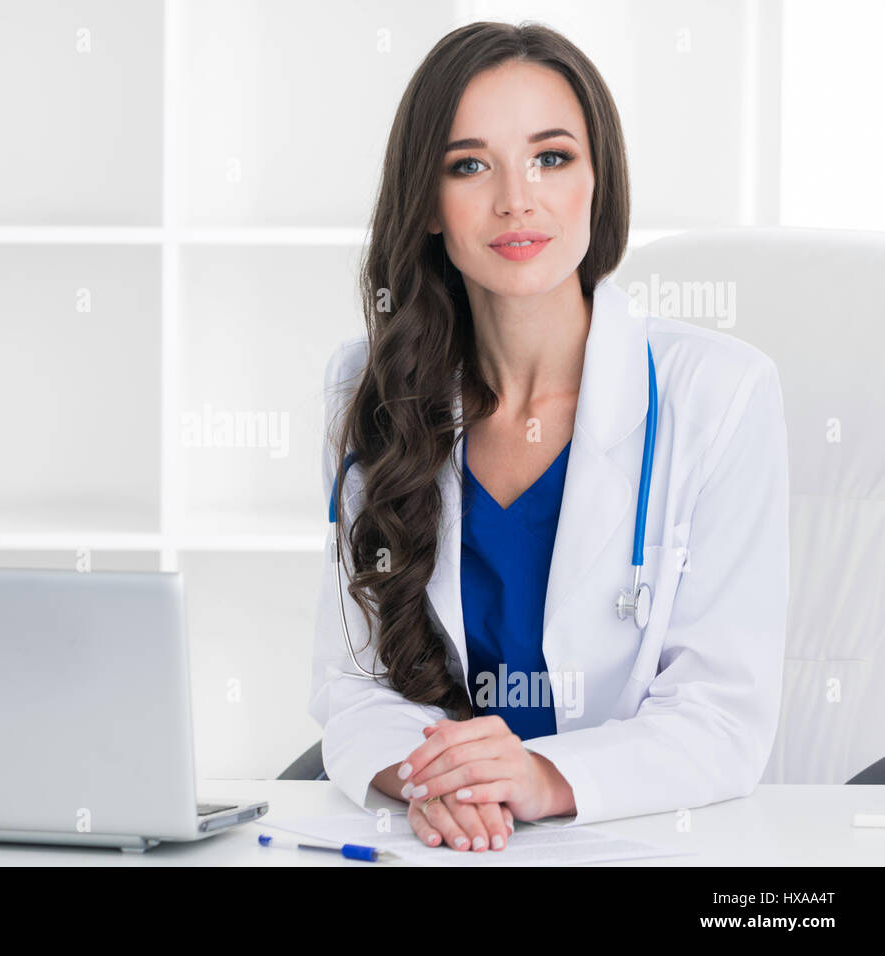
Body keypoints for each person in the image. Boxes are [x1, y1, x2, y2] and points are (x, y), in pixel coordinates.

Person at [308, 21, 789, 853]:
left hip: (636, 842)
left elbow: (721, 715)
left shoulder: (719, 395)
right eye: (469, 165)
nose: (515, 199)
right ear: (427, 202)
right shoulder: (370, 389)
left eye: (552, 158)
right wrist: (439, 785)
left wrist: (540, 777)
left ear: (599, 181)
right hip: (451, 841)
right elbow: (353, 687)